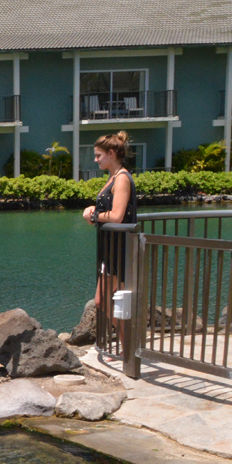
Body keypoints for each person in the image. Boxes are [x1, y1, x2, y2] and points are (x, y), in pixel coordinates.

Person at [81, 131, 136, 340]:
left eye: (98, 155)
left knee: (105, 299)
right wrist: (94, 211)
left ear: (111, 153)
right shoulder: (113, 177)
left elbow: (117, 215)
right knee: (109, 300)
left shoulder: (121, 178)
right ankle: (127, 344)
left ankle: (128, 343)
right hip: (111, 247)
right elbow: (107, 210)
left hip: (119, 248)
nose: (95, 160)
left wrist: (95, 215)